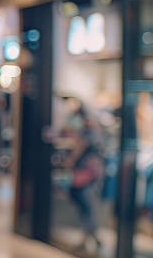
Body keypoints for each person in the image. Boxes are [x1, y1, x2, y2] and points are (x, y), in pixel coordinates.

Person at [61, 96, 104, 252]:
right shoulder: (90, 128)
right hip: (88, 171)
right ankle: (91, 236)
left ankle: (92, 236)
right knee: (85, 204)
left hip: (87, 172)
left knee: (86, 204)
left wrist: (71, 160)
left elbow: (82, 146)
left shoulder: (89, 128)